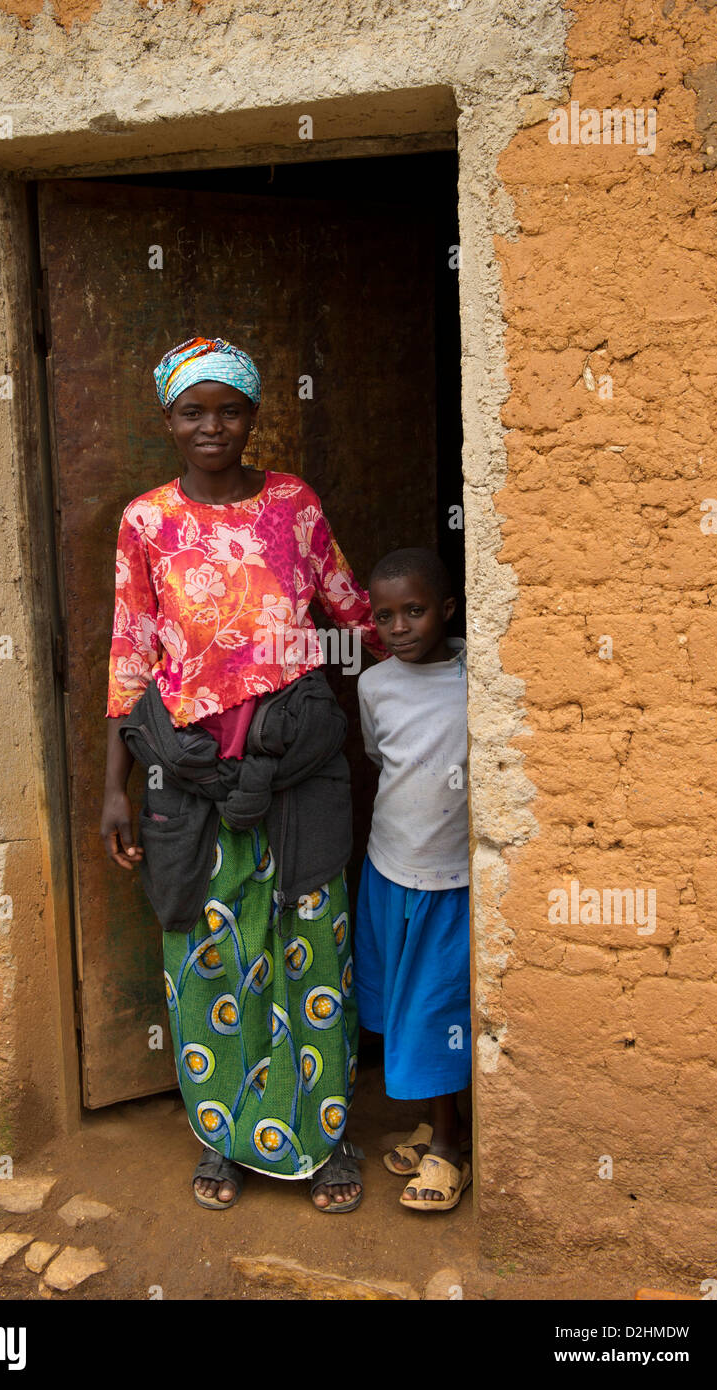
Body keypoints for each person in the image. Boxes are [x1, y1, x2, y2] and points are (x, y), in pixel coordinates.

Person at [101, 335, 387, 1212]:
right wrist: (111, 786)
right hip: (190, 771)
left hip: (296, 765)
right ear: (169, 420)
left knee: (309, 945)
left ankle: (319, 1134)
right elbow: (131, 653)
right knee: (212, 952)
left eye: (230, 410)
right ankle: (223, 1135)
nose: (212, 426)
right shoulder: (146, 521)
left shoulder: (293, 504)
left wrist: (429, 668)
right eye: (194, 411)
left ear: (255, 416)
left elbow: (349, 614)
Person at [354, 547, 473, 1211]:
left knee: (438, 1009)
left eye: (416, 610)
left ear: (448, 609)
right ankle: (436, 1119)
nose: (399, 626)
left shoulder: (476, 675)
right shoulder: (375, 686)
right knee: (405, 1002)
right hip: (389, 868)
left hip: (449, 879)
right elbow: (380, 755)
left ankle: (450, 1147)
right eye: (385, 615)